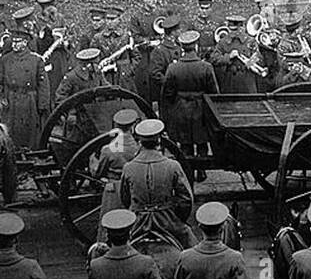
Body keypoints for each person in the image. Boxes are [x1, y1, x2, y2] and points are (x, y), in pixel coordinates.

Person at [121, 118, 194, 250]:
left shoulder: (128, 167)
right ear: (159, 140)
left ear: (140, 142)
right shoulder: (173, 165)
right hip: (167, 221)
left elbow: (125, 199)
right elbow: (186, 199)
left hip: (137, 223)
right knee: (192, 251)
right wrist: (178, 217)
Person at [0, 20, 50, 151]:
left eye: (18, 42)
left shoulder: (36, 60)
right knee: (12, 131)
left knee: (30, 132)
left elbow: (43, 85)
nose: (15, 44)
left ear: (25, 43)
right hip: (11, 100)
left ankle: (31, 154)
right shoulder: (5, 60)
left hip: (30, 101)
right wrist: (0, 99)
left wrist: (42, 105)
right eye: (14, 41)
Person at [160, 30, 219, 158]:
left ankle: (189, 172)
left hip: (181, 110)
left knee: (185, 144)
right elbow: (214, 93)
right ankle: (202, 170)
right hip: (201, 110)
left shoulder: (173, 68)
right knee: (202, 141)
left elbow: (167, 94)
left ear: (182, 47)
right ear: (196, 46)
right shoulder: (206, 67)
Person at [91, 109, 141, 237]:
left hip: (113, 189)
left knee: (110, 218)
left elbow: (97, 174)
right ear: (133, 126)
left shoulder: (108, 150)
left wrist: (92, 162)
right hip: (133, 187)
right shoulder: (138, 148)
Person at [147, 11, 182, 110]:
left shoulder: (178, 46)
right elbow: (155, 73)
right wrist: (170, 84)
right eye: (178, 29)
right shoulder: (160, 51)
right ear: (173, 32)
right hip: (167, 94)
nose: (180, 31)